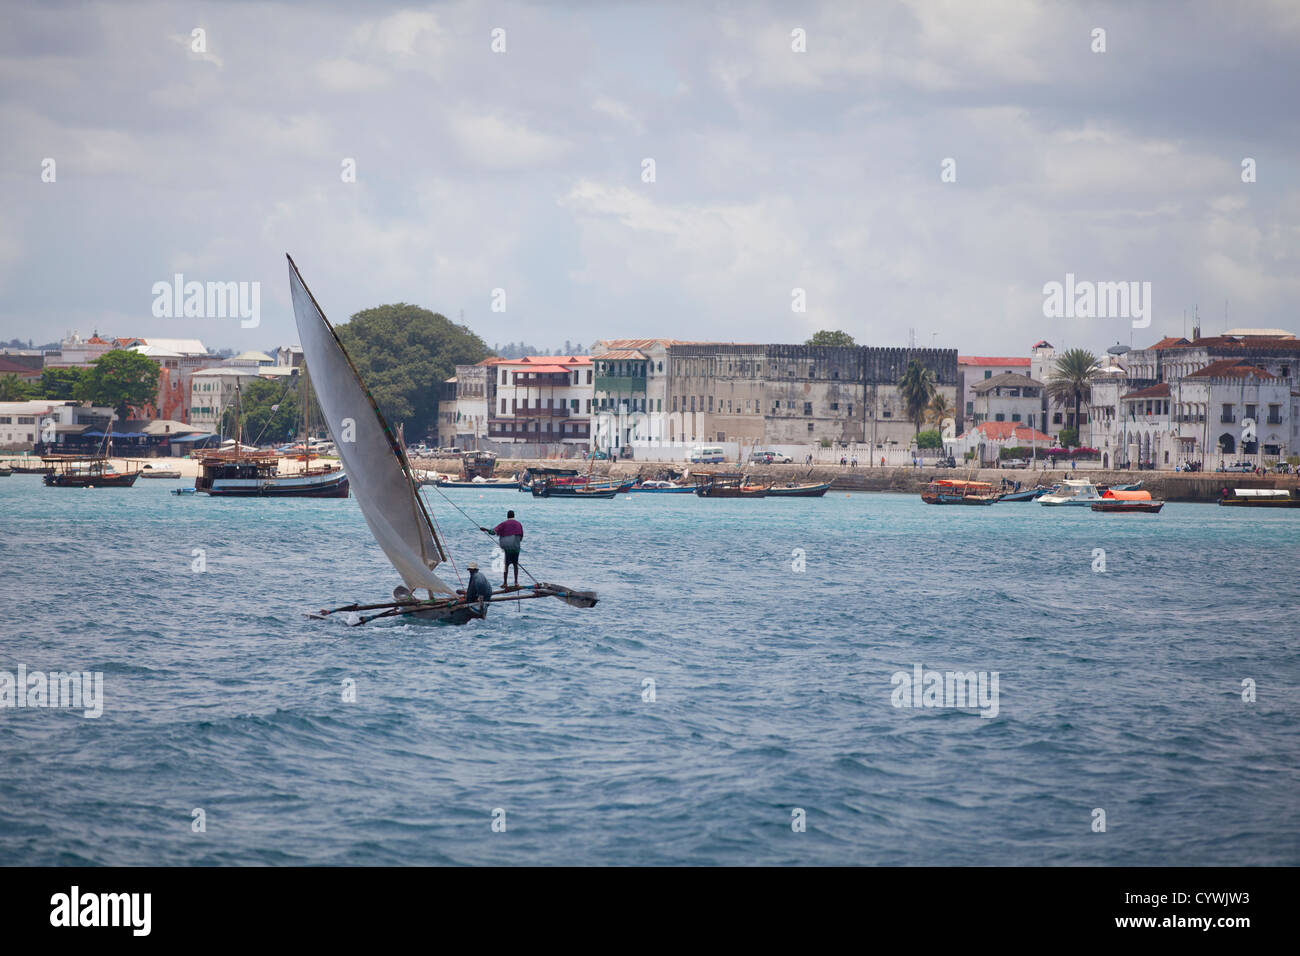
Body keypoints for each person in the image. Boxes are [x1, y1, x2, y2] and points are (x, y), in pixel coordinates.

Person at [481, 510, 524, 588]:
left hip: (507, 549)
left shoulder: (504, 524)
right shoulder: (519, 524)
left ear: (507, 516)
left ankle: (505, 583)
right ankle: (516, 582)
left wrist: (485, 530)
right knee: (515, 565)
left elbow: (493, 532)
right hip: (516, 548)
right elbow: (521, 537)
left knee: (506, 565)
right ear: (514, 516)